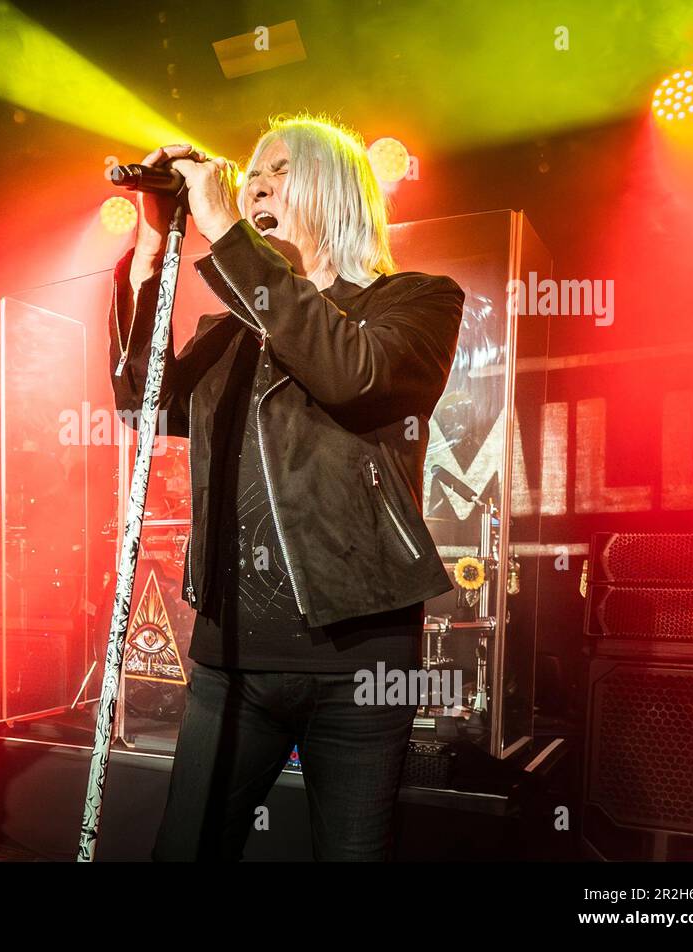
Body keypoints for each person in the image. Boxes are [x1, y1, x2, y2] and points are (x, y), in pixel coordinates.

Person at [109, 114, 464, 860]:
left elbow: (350, 372)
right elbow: (145, 402)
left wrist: (226, 229)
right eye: (251, 173)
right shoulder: (231, 330)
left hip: (361, 659)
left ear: (334, 187)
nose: (254, 183)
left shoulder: (417, 303)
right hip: (233, 653)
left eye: (277, 170)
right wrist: (149, 255)